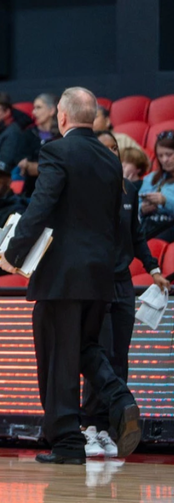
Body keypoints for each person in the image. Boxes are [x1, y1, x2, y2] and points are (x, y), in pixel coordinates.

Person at [0, 87, 142, 464]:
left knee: (57, 355)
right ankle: (120, 398)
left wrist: (12, 253)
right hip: (100, 275)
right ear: (92, 117)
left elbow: (40, 206)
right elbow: (116, 222)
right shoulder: (111, 161)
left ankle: (66, 443)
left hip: (62, 275)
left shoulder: (57, 151)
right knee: (84, 348)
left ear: (62, 116)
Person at [83, 131, 169, 458]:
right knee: (98, 355)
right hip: (94, 283)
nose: (107, 154)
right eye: (101, 149)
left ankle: (109, 428)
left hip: (122, 286)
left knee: (119, 357)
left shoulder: (129, 190)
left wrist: (154, 269)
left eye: (112, 149)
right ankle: (89, 426)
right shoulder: (84, 191)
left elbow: (138, 236)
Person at [138, 133, 174, 241]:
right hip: (148, 225)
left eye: (169, 155)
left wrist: (164, 201)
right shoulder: (150, 178)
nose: (164, 160)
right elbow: (135, 205)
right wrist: (142, 209)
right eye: (160, 156)